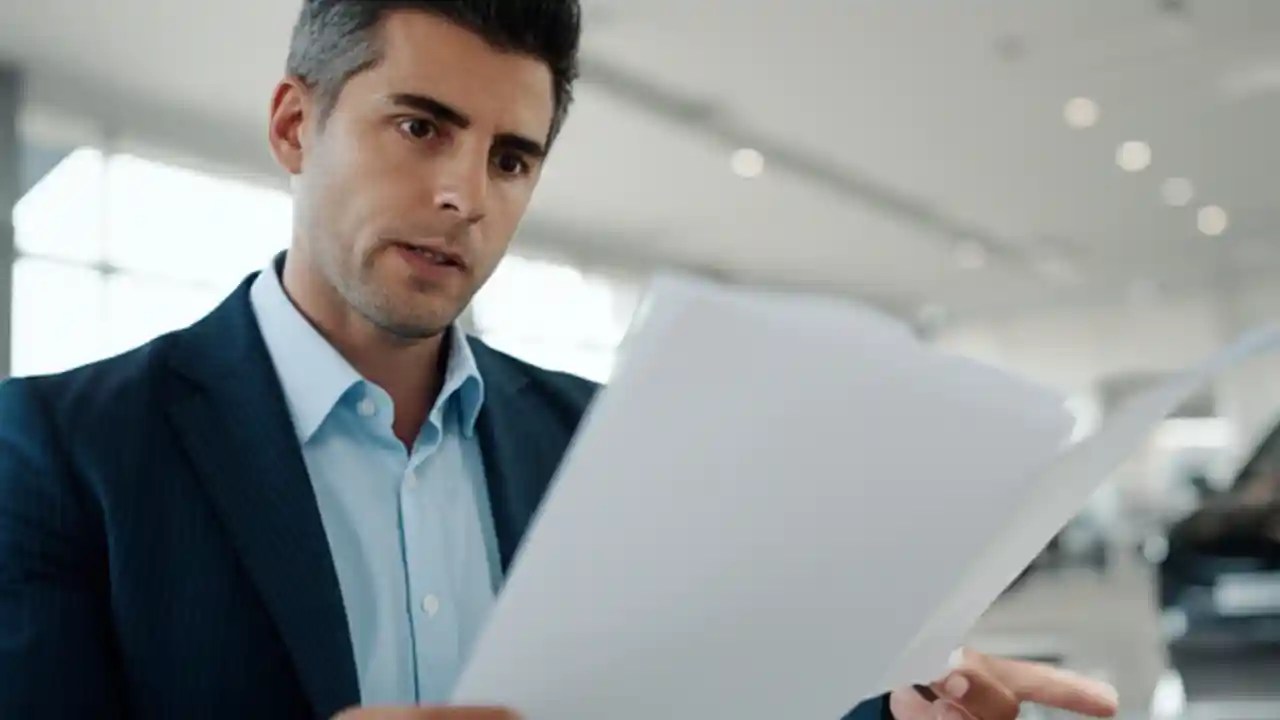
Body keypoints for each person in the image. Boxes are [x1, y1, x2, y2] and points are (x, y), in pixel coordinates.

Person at [0, 2, 1121, 719]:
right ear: (297, 124)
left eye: (511, 157)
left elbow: (708, 692)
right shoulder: (57, 447)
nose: (464, 196)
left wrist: (894, 708)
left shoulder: (605, 437)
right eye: (419, 127)